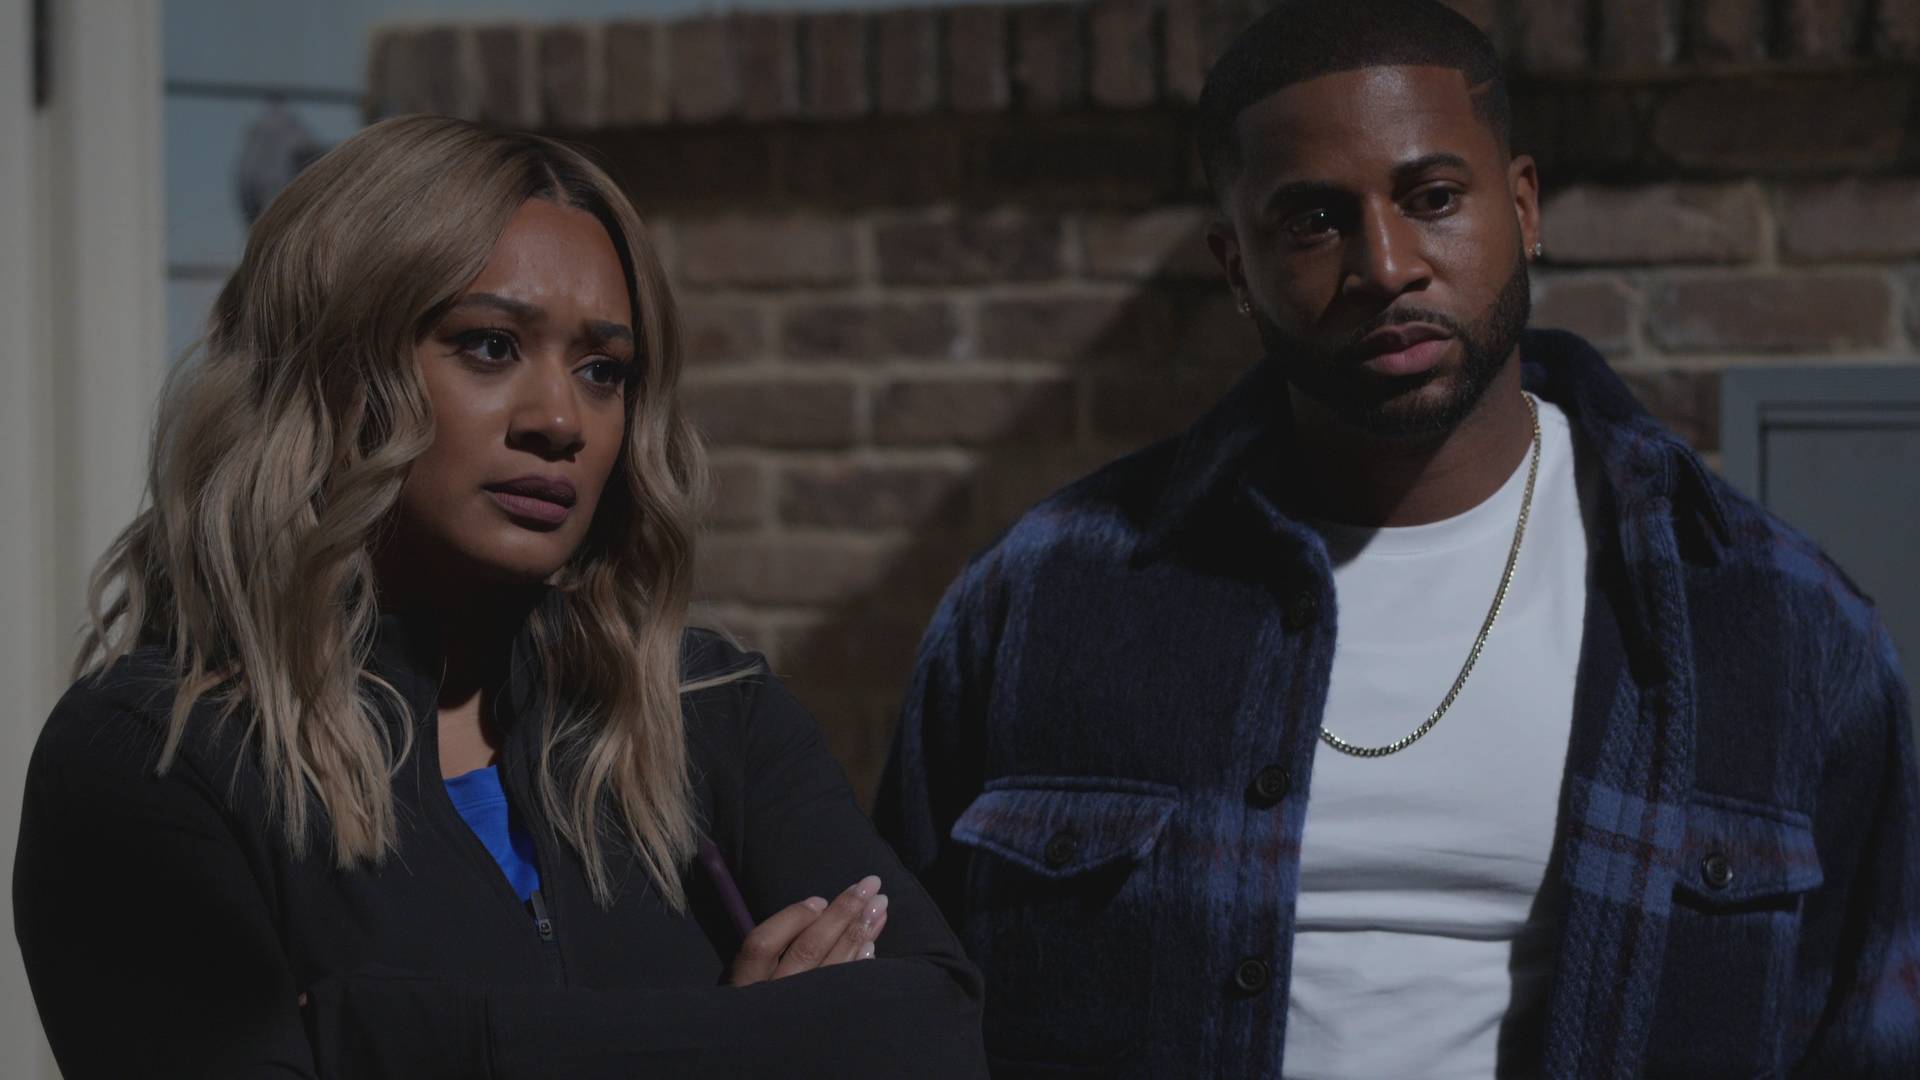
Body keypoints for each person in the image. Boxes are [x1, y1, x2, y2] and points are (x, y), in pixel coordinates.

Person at [874, 1, 1920, 1076]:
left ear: (1523, 207)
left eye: (1433, 199)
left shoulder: (1774, 619)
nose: (1384, 265)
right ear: (1237, 270)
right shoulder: (1044, 598)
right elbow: (901, 997)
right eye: (1313, 222)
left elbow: (1872, 1036)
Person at [14, 115, 985, 1079]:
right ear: (331, 366)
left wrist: (397, 1044)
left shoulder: (708, 711)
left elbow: (936, 1032)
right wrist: (761, 1041)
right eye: (488, 345)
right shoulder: (155, 757)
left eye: (602, 370)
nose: (561, 419)